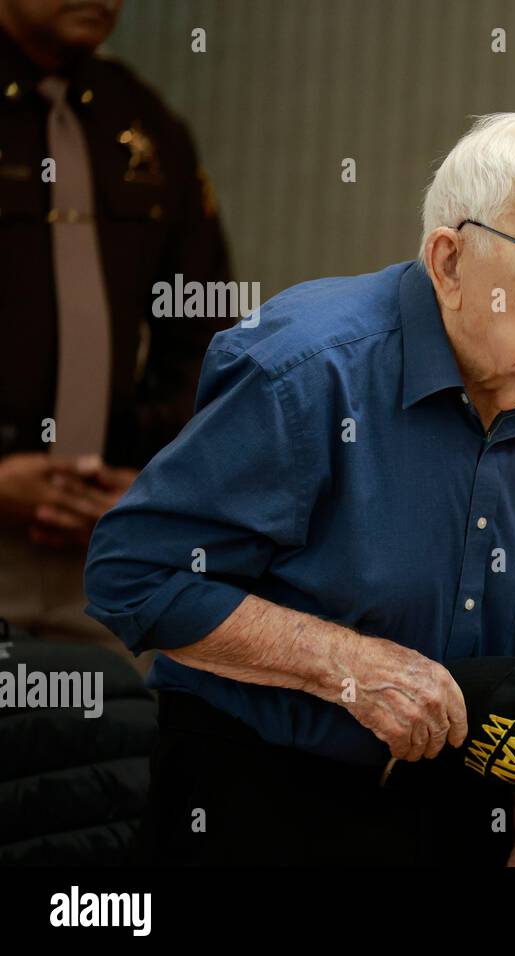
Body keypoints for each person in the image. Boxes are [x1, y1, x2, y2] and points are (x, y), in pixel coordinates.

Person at [84, 112, 515, 865]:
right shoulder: (309, 370)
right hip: (268, 804)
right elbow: (134, 575)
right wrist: (348, 666)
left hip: (464, 808)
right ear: (449, 260)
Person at [0, 0, 230, 666]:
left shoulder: (143, 124)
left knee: (117, 752)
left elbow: (206, 328)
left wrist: (148, 480)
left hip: (101, 545)